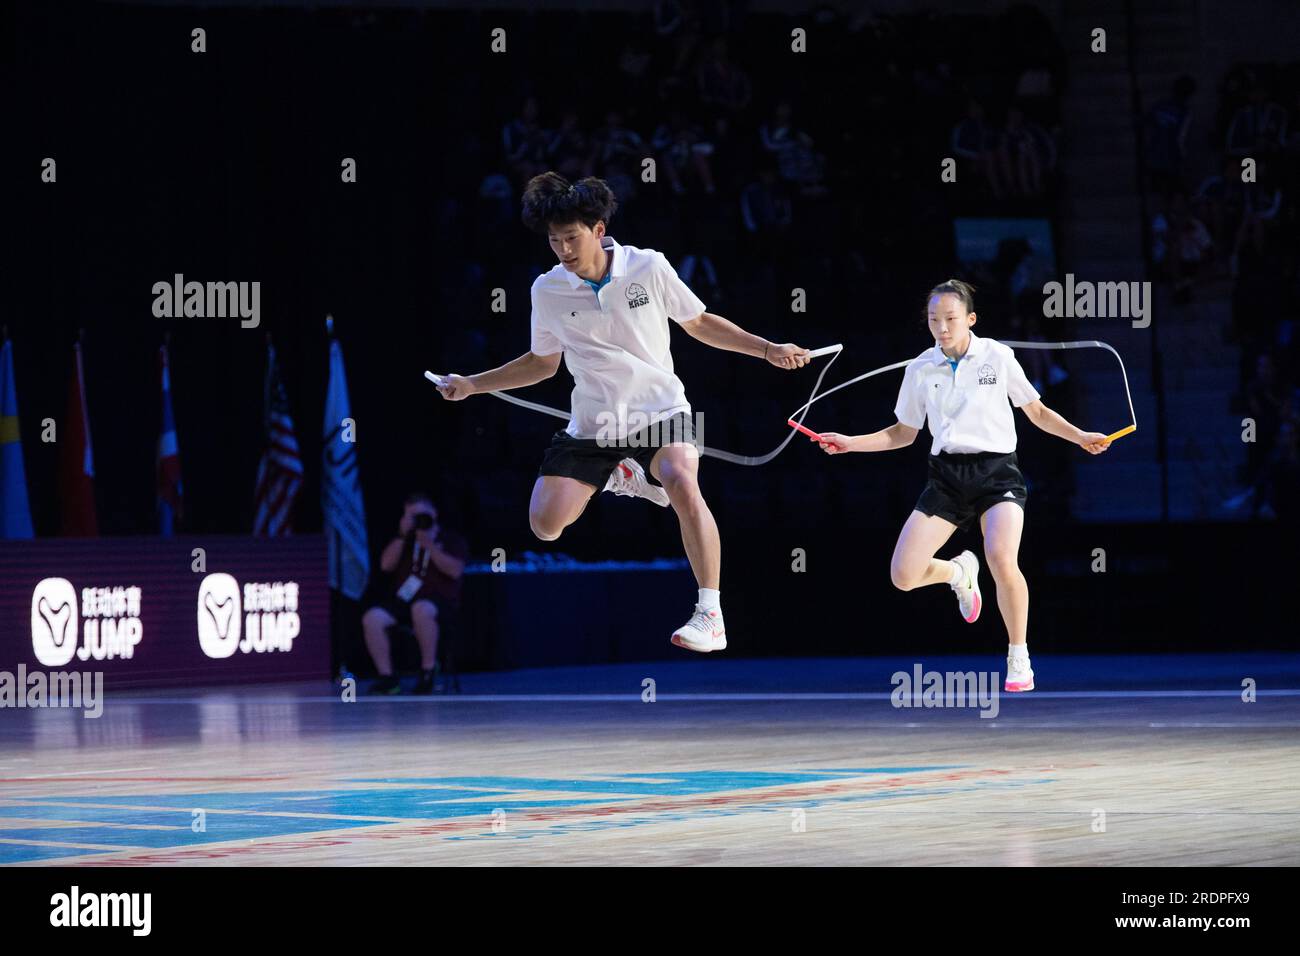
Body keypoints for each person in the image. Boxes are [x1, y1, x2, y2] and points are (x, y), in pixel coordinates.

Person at [436, 173, 811, 651]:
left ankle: (710, 612)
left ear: (597, 230)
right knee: (545, 525)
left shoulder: (647, 267)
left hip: (661, 408)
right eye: (554, 242)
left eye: (571, 238)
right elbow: (541, 363)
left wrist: (766, 349)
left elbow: (698, 322)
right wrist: (472, 385)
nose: (564, 251)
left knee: (680, 476)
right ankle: (626, 474)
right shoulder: (546, 290)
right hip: (594, 423)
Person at [813, 279, 1112, 692]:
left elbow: (1037, 412)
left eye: (951, 318)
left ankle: (1018, 655)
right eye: (935, 319)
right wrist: (850, 444)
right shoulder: (920, 368)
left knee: (1002, 557)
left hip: (997, 473)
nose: (942, 327)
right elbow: (902, 433)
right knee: (903, 574)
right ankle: (957, 572)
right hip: (947, 477)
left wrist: (1080, 437)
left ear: (970, 319)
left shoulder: (998, 357)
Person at [361, 493, 467, 694]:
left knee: (422, 609)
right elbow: (385, 565)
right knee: (372, 618)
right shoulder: (405, 541)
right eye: (413, 516)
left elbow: (455, 570)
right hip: (405, 600)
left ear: (434, 513)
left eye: (422, 515)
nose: (419, 521)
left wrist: (430, 545)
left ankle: (428, 671)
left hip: (439, 603)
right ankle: (388, 677)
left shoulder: (450, 539)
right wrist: (403, 535)